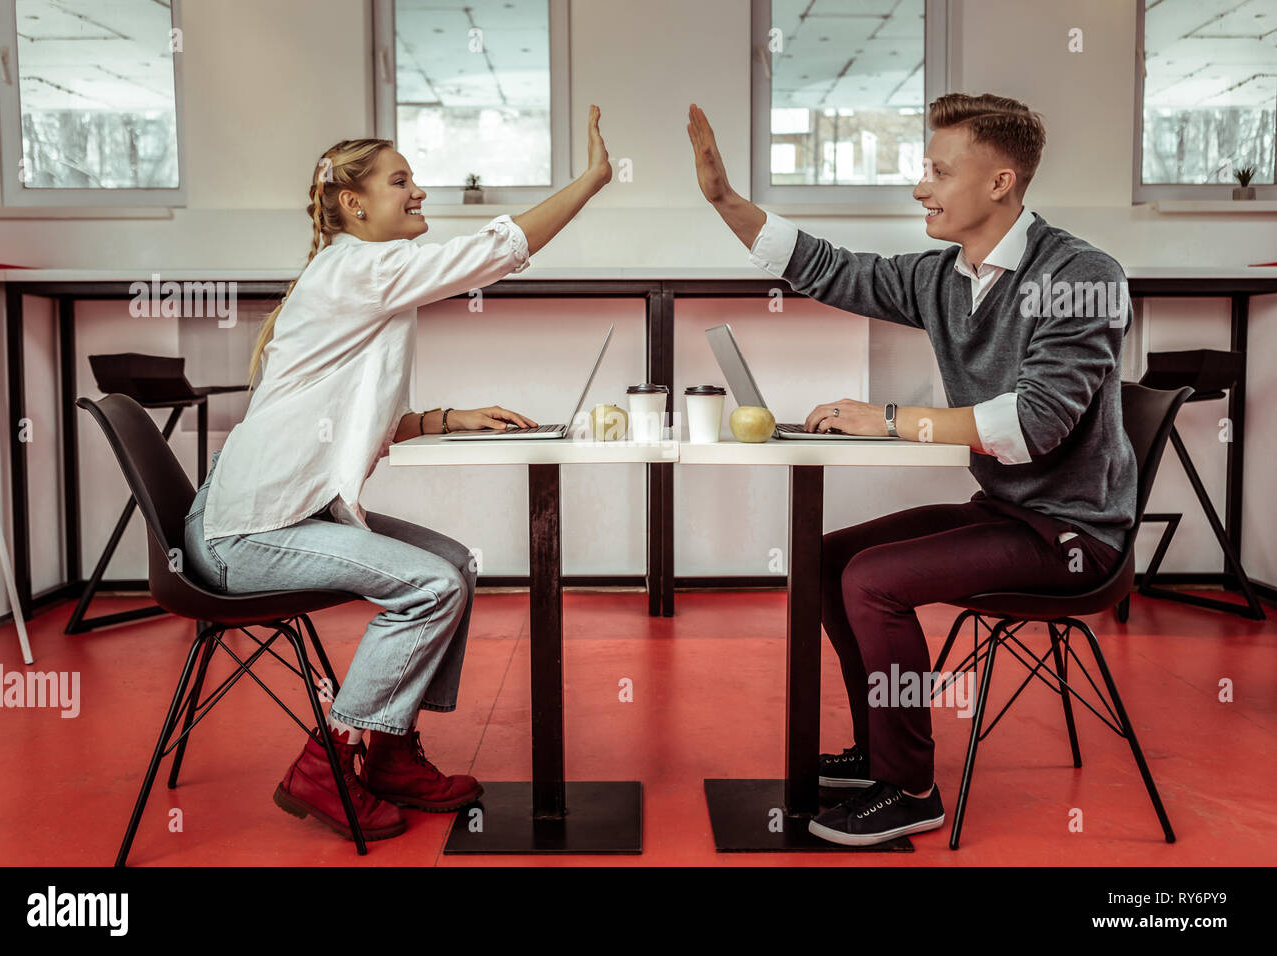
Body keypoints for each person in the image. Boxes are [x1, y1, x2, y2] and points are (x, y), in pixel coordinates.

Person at [688, 93, 1135, 845]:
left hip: (1074, 534)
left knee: (875, 579)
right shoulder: (944, 277)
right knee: (832, 559)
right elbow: (831, 270)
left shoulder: (1081, 274)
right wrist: (727, 202)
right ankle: (878, 751)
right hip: (1007, 512)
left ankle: (910, 788)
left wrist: (891, 419)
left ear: (999, 183)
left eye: (937, 170)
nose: (920, 187)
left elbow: (1034, 425)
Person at [183, 106, 613, 842]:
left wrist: (445, 418)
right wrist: (591, 182)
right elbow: (492, 250)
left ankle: (388, 752)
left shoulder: (361, 275)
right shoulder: (359, 266)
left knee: (451, 563)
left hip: (284, 515)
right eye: (401, 181)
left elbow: (351, 412)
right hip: (246, 532)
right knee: (431, 584)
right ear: (355, 204)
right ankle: (328, 758)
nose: (419, 193)